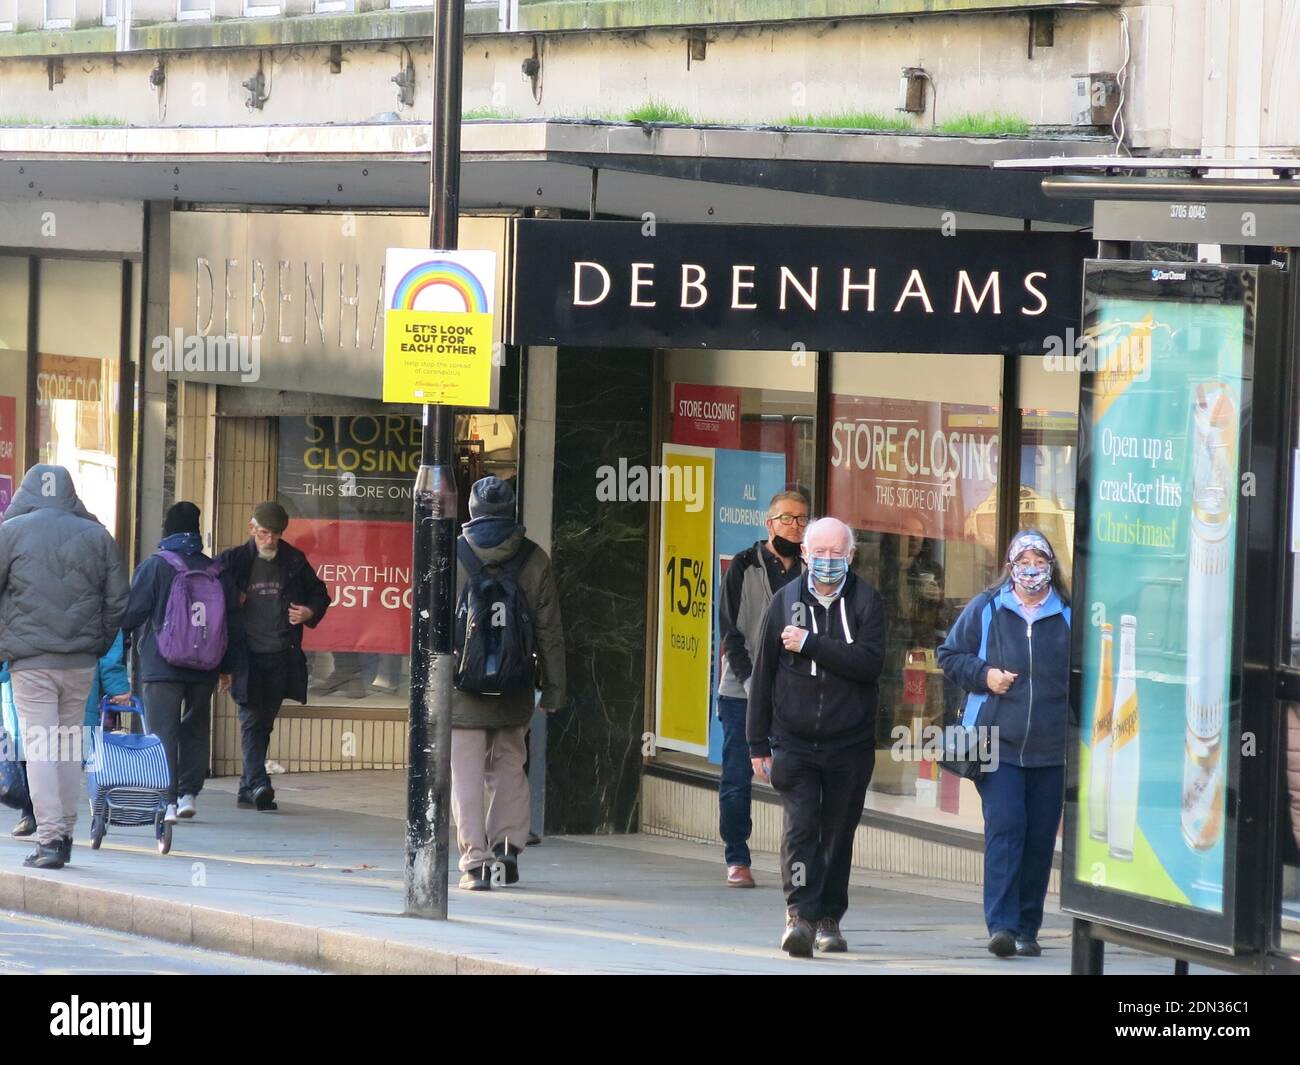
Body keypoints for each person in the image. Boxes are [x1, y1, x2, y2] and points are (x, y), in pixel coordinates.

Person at [747, 517, 886, 957]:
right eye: (819, 553)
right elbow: (763, 673)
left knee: (838, 833)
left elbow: (868, 664)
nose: (827, 561)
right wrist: (756, 744)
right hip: (794, 741)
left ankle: (830, 918)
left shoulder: (867, 602)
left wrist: (810, 643)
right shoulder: (785, 602)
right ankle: (800, 917)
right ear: (805, 554)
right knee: (801, 829)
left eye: (836, 554)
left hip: (850, 744)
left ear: (851, 556)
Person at [937, 529, 1071, 960]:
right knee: (1007, 827)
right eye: (1023, 562)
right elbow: (949, 655)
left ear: (1051, 566)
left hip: (1052, 748)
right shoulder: (987, 607)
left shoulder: (1069, 612)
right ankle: (1002, 925)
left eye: (1040, 561)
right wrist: (985, 675)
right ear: (1010, 568)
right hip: (996, 742)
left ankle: (1028, 927)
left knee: (1038, 839)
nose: (1032, 569)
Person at [0, 465, 128, 869]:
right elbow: (118, 601)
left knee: (38, 746)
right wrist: (97, 644)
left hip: (30, 660)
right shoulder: (97, 536)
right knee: (71, 746)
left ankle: (50, 837)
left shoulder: (10, 533)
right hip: (80, 662)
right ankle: (68, 832)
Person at [451, 476, 566, 890]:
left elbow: (429, 630)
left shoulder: (452, 554)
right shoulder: (534, 559)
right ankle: (504, 852)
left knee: (464, 775)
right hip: (515, 685)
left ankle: (475, 863)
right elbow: (549, 630)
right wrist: (553, 690)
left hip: (461, 689)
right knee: (509, 767)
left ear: (471, 511)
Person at [120, 502, 240, 823]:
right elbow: (232, 624)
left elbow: (132, 613)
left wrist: (117, 650)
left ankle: (167, 801)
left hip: (162, 665)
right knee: (196, 726)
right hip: (205, 664)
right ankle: (189, 794)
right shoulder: (217, 570)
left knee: (163, 731)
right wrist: (226, 667)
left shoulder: (156, 566)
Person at [715, 489, 808, 888]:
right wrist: (753, 680)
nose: (795, 526)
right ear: (769, 524)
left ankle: (803, 862)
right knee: (738, 774)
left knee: (802, 776)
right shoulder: (743, 566)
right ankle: (737, 856)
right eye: (786, 518)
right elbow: (731, 633)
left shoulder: (811, 570)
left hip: (797, 692)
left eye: (802, 519)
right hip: (743, 690)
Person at [217, 501, 329, 812]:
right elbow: (212, 599)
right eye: (264, 533)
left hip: (282, 654)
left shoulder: (293, 560)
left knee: (264, 723)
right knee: (252, 720)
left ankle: (245, 788)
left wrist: (309, 611)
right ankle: (259, 782)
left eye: (276, 535)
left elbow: (320, 592)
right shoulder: (234, 561)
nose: (270, 540)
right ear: (252, 529)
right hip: (246, 656)